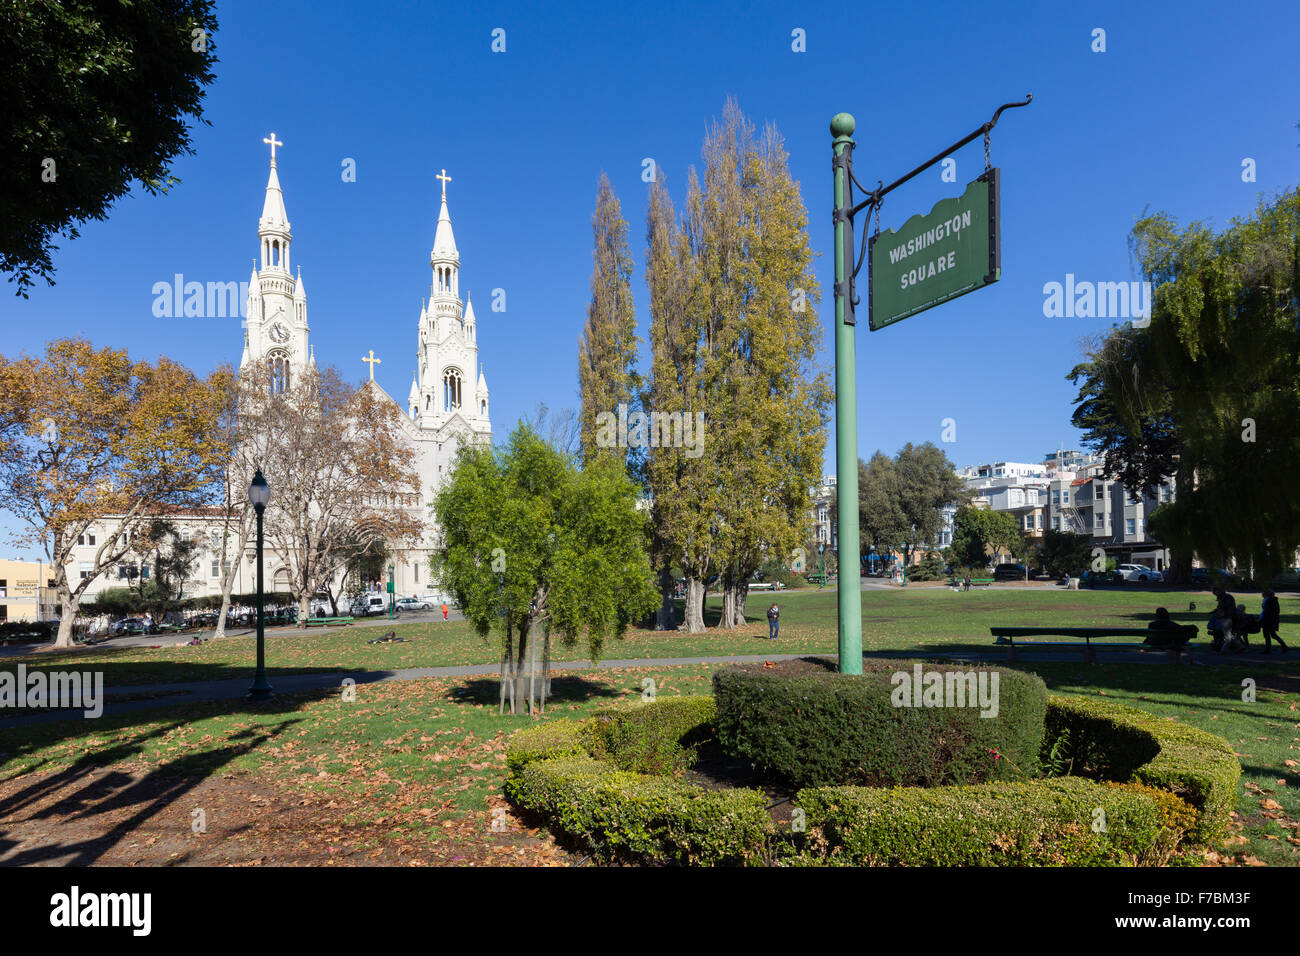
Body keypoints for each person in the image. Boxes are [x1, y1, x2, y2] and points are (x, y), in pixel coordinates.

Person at [1260, 589, 1287, 654]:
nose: (1262, 595)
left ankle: (1270, 649)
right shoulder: (1271, 600)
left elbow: (1267, 611)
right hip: (1270, 620)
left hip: (1269, 620)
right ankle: (1270, 649)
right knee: (1271, 635)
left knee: (1270, 635)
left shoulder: (1269, 601)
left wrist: (1262, 618)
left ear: (1266, 594)